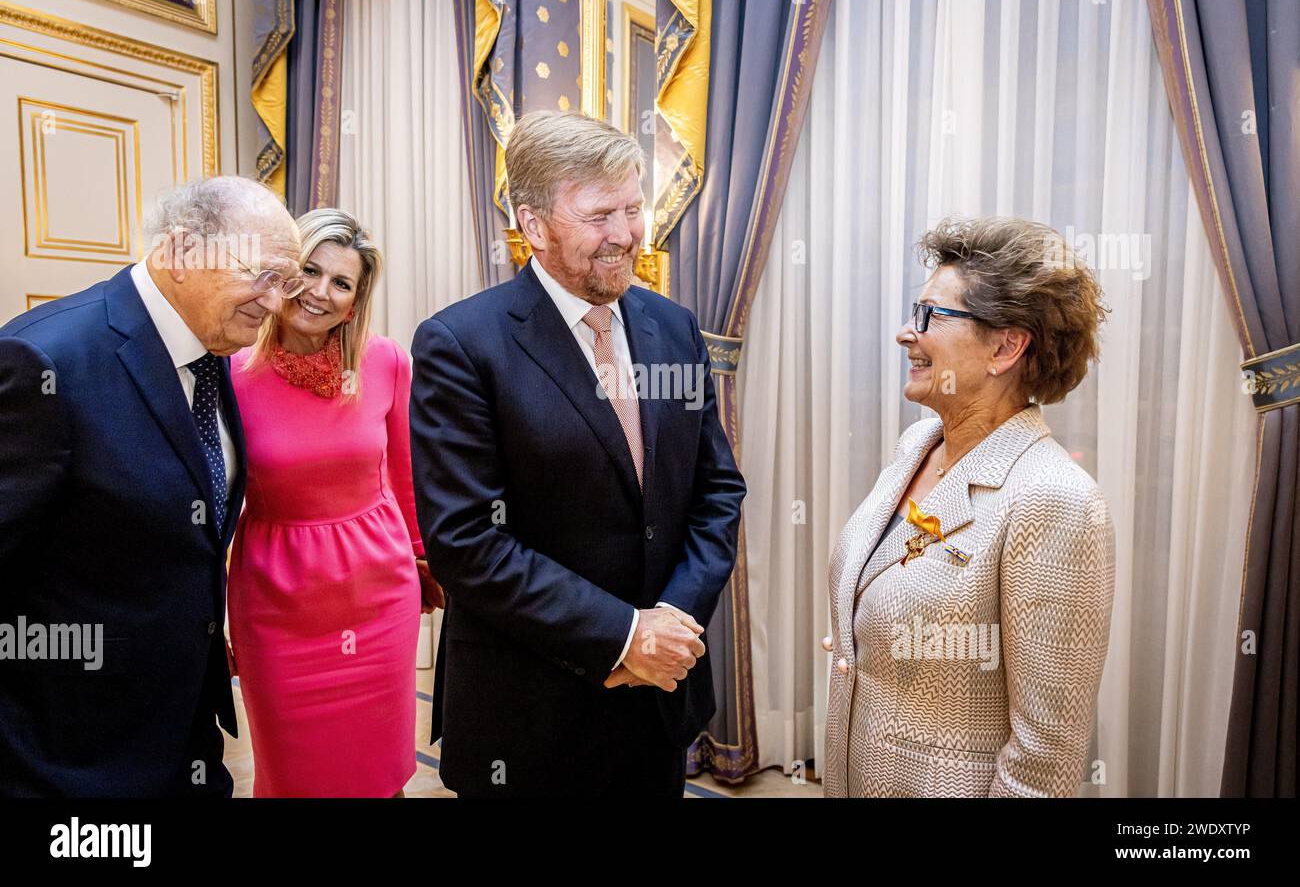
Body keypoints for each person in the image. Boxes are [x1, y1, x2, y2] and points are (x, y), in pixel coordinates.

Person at [410, 110, 746, 797]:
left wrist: (671, 626)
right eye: (599, 215)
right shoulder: (461, 345)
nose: (625, 234)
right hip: (528, 710)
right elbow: (466, 543)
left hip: (657, 701)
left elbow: (717, 490)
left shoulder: (674, 327)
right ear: (533, 224)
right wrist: (623, 635)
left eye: (632, 208)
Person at [0, 176, 300, 796]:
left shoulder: (211, 354)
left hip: (185, 735)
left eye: (286, 282)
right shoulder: (43, 360)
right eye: (263, 276)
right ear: (182, 251)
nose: (276, 304)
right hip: (67, 756)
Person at [824, 215, 1116, 798]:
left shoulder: (1057, 501)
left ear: (1005, 346)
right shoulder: (917, 446)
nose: (907, 332)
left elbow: (1046, 760)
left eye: (930, 315)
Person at [227, 208, 433, 797]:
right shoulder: (230, 369)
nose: (319, 292)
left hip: (378, 593)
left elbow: (407, 473)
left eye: (340, 282)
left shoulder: (386, 360)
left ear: (355, 299)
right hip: (276, 599)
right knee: (295, 773)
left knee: (378, 771)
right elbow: (211, 492)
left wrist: (425, 562)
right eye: (308, 270)